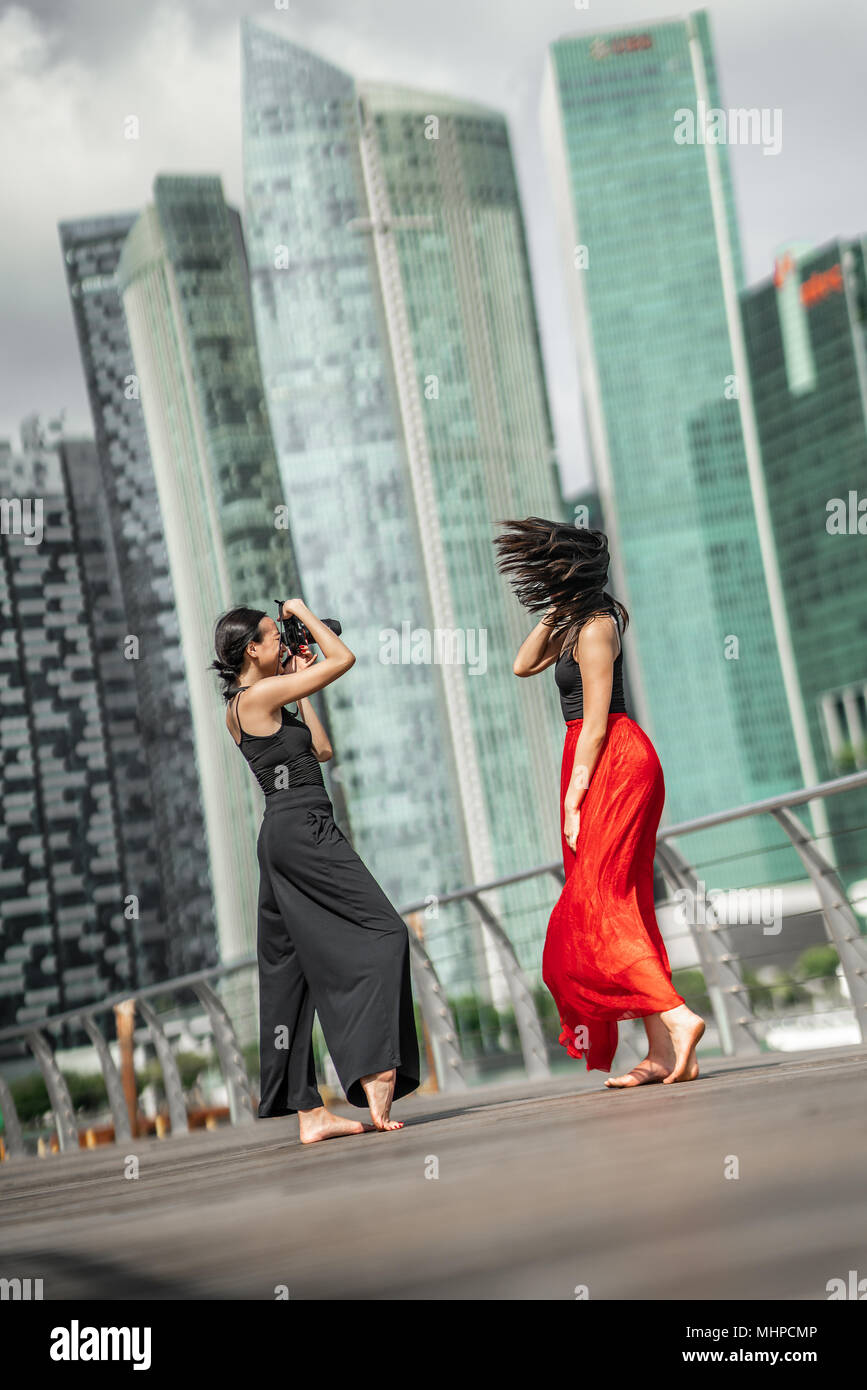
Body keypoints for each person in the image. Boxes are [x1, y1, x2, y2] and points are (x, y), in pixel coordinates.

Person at [495, 517, 705, 1087]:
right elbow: (522, 663)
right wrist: (555, 610)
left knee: (593, 907)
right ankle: (663, 1051)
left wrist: (574, 796)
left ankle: (678, 1017)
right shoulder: (574, 623)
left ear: (565, 575)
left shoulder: (595, 630)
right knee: (624, 905)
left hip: (611, 759)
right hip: (596, 759)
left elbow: (593, 724)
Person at [210, 597, 420, 1140]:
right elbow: (344, 658)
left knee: (289, 971)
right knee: (387, 930)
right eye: (273, 636)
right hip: (304, 831)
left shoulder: (259, 701)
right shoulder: (256, 695)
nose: (282, 642)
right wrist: (303, 612)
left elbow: (321, 750)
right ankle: (375, 1069)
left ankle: (308, 1113)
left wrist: (303, 681)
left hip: (284, 833)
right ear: (251, 651)